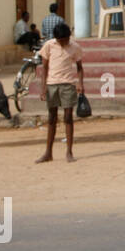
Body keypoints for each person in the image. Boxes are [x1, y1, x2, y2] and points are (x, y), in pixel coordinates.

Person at [34, 22, 84, 164]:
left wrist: (80, 83)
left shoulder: (75, 47)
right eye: (61, 41)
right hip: (52, 85)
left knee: (68, 117)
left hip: (68, 84)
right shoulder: (49, 45)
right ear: (56, 39)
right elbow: (44, 68)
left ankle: (69, 151)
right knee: (51, 118)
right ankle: (48, 152)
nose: (63, 43)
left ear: (69, 37)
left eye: (66, 40)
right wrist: (43, 88)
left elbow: (80, 68)